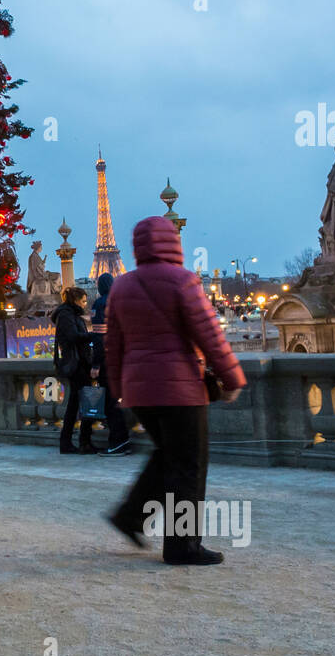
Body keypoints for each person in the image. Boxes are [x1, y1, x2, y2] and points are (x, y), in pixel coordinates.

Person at [102, 216, 246, 566]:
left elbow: (113, 346)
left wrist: (120, 390)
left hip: (141, 392)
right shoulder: (183, 281)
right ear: (173, 242)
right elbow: (210, 336)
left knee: (168, 455)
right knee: (188, 467)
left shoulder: (121, 286)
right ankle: (182, 546)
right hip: (180, 389)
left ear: (137, 247)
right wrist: (233, 378)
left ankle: (130, 514)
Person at [89, 272, 132, 456]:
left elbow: (100, 338)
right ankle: (122, 440)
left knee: (109, 403)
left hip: (108, 360)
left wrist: (96, 364)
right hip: (123, 359)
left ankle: (118, 441)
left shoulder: (99, 304)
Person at [51, 287, 97, 454]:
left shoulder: (69, 314)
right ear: (75, 300)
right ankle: (81, 441)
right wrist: (93, 335)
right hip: (76, 365)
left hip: (78, 364)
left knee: (76, 404)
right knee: (83, 403)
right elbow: (72, 337)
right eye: (83, 301)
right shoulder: (66, 315)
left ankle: (70, 441)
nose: (85, 304)